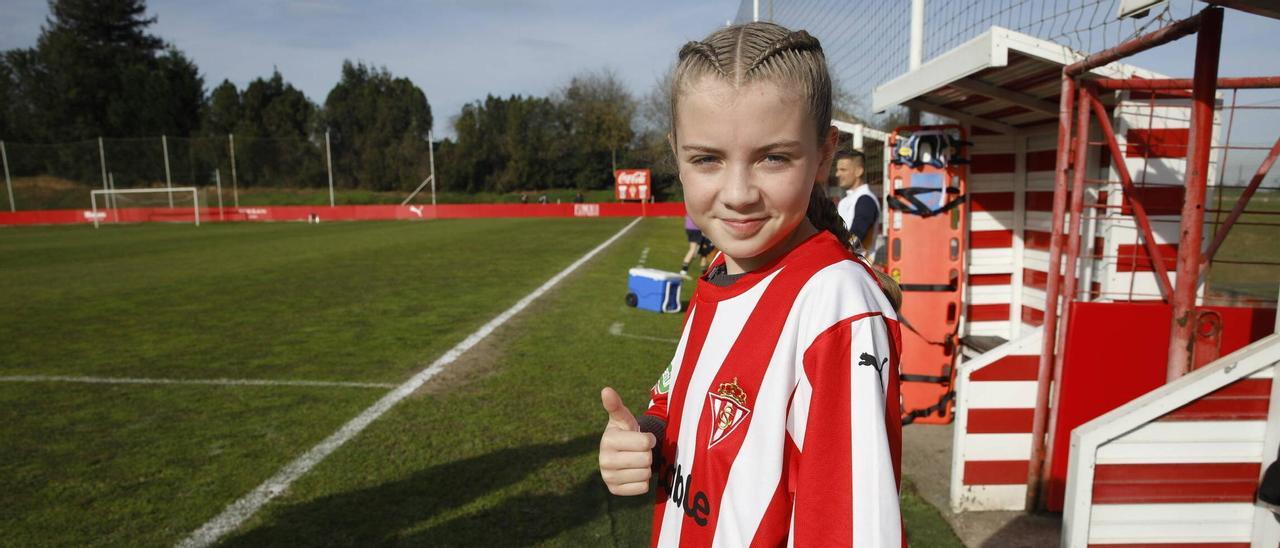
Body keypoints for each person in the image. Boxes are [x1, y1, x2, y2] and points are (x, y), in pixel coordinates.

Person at [598, 22, 904, 547]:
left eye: (773, 157)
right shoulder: (721, 266)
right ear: (677, 153)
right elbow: (677, 401)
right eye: (707, 159)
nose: (738, 193)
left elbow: (849, 530)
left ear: (824, 154)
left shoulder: (835, 308)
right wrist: (644, 436)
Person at [835, 149, 880, 258]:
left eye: (843, 170)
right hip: (845, 264)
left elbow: (857, 235)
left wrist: (839, 252)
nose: (837, 174)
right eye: (837, 170)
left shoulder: (866, 200)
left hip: (859, 267)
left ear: (859, 171)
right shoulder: (845, 201)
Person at [679, 214, 708, 278]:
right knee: (694, 250)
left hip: (689, 227)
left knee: (696, 251)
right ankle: (683, 271)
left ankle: (684, 271)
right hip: (695, 228)